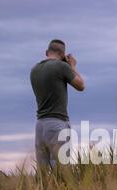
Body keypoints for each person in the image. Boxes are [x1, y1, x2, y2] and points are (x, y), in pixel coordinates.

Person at [30, 39, 85, 168]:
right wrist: (72, 66)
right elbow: (81, 86)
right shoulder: (61, 66)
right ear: (62, 54)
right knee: (61, 171)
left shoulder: (34, 70)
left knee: (42, 173)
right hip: (57, 123)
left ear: (46, 52)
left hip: (40, 124)